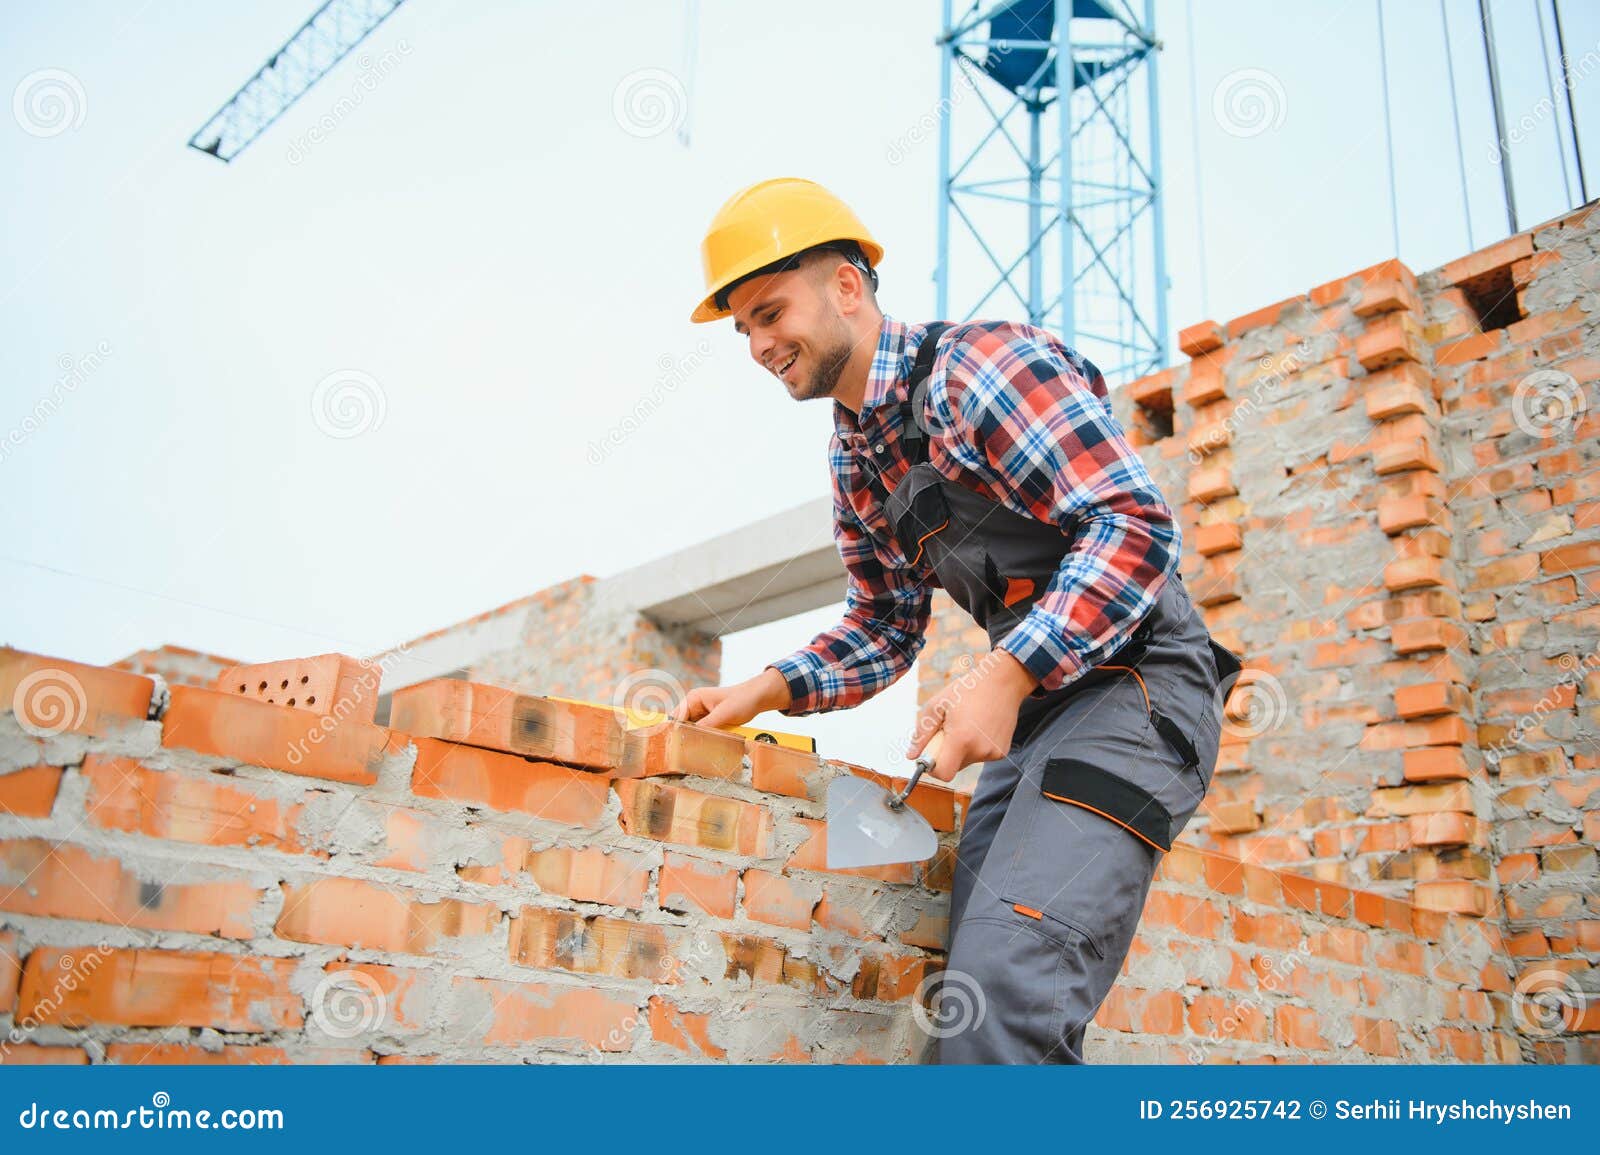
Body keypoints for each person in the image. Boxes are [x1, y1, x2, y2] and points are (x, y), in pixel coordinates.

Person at [672, 177, 1240, 1063]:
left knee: (1007, 992)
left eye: (770, 312)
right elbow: (885, 624)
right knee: (963, 993)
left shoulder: (983, 368)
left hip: (1139, 687)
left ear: (849, 288)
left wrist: (1001, 677)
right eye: (743, 326)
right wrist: (764, 688)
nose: (757, 344)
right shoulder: (856, 454)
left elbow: (1134, 524)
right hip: (1045, 714)